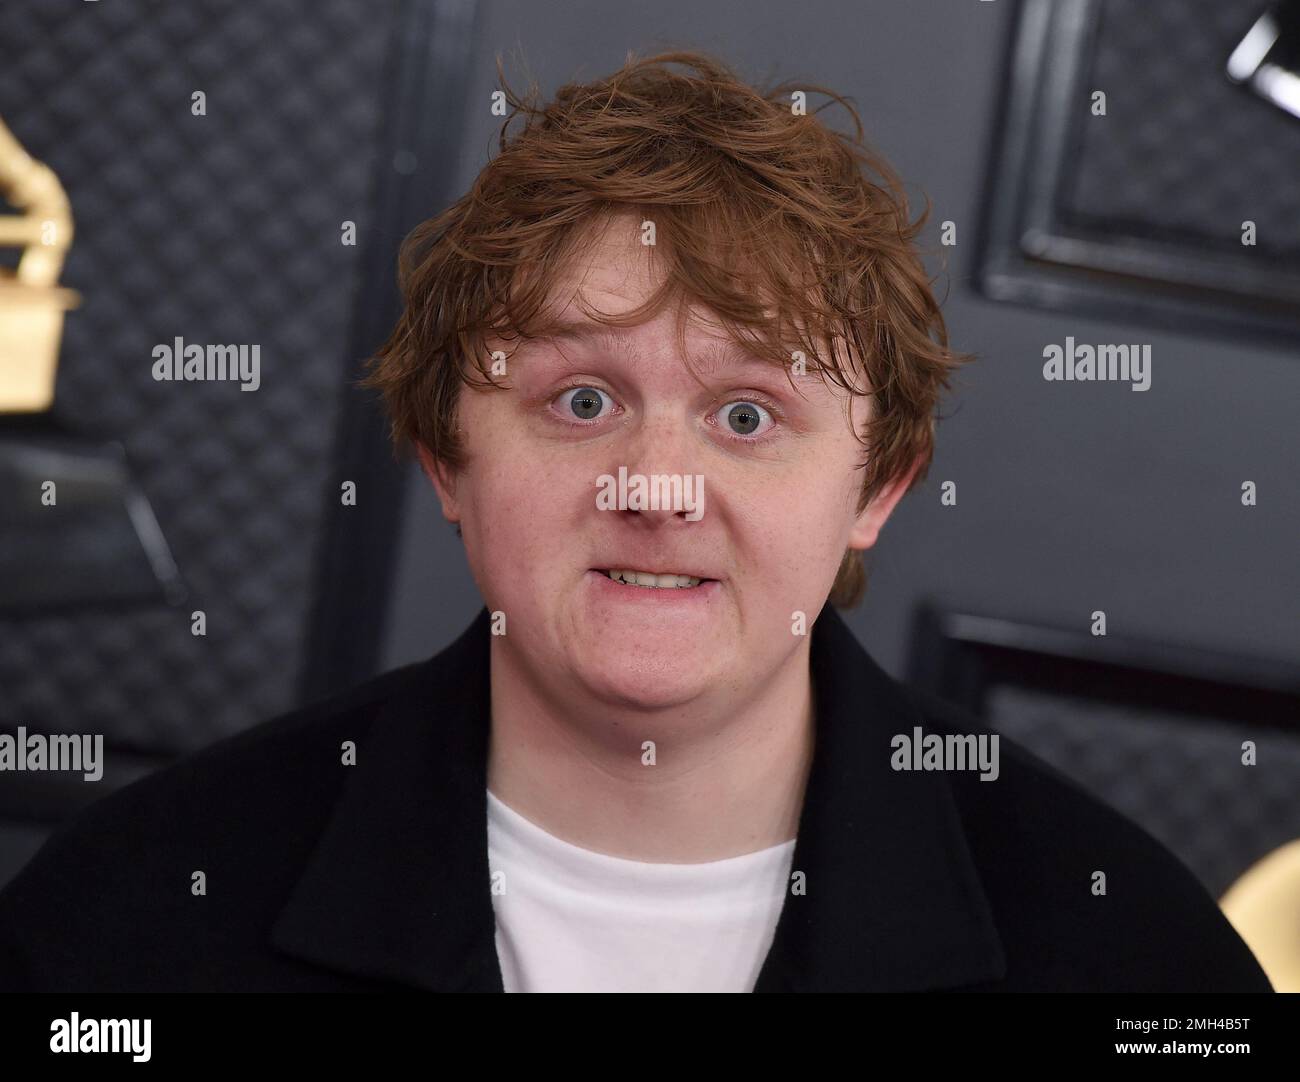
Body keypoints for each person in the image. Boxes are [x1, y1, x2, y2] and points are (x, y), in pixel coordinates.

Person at [0, 51, 1271, 993]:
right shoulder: (134, 914)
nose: (657, 488)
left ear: (877, 487)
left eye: (748, 416)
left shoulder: (1131, 957)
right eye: (584, 397)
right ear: (448, 456)